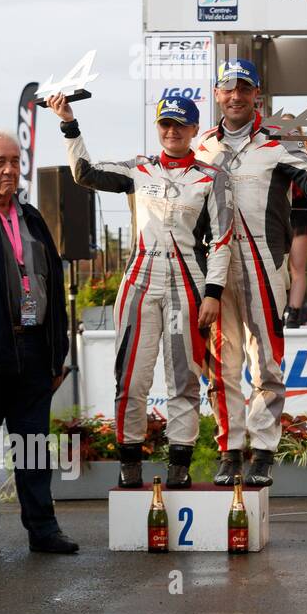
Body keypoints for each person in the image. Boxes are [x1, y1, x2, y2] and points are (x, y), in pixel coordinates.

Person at [49, 93, 233, 489]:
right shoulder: (140, 168)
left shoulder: (211, 178)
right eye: (166, 124)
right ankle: (129, 462)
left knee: (184, 379)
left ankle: (179, 466)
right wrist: (69, 124)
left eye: (180, 125)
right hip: (139, 282)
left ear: (193, 130)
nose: (172, 131)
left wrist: (214, 293)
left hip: (188, 285)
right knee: (131, 379)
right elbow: (84, 172)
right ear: (158, 127)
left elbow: (221, 240)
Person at [195, 58, 307, 486]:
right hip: (215, 267)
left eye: (244, 88)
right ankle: (230, 449)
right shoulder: (201, 147)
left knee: (268, 359)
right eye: (227, 88)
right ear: (217, 95)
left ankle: (264, 449)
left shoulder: (280, 144)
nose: (235, 96)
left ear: (258, 96)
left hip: (265, 261)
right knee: (223, 363)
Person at [0, 129, 76, 555]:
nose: (9, 170)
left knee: (34, 447)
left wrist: (58, 355)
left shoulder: (32, 218)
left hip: (33, 350)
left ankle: (43, 529)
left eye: (15, 162)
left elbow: (53, 288)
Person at [284, 182, 307, 329]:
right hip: (273, 208)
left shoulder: (305, 157)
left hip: (299, 209)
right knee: (273, 266)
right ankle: (277, 311)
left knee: (297, 267)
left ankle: (293, 313)